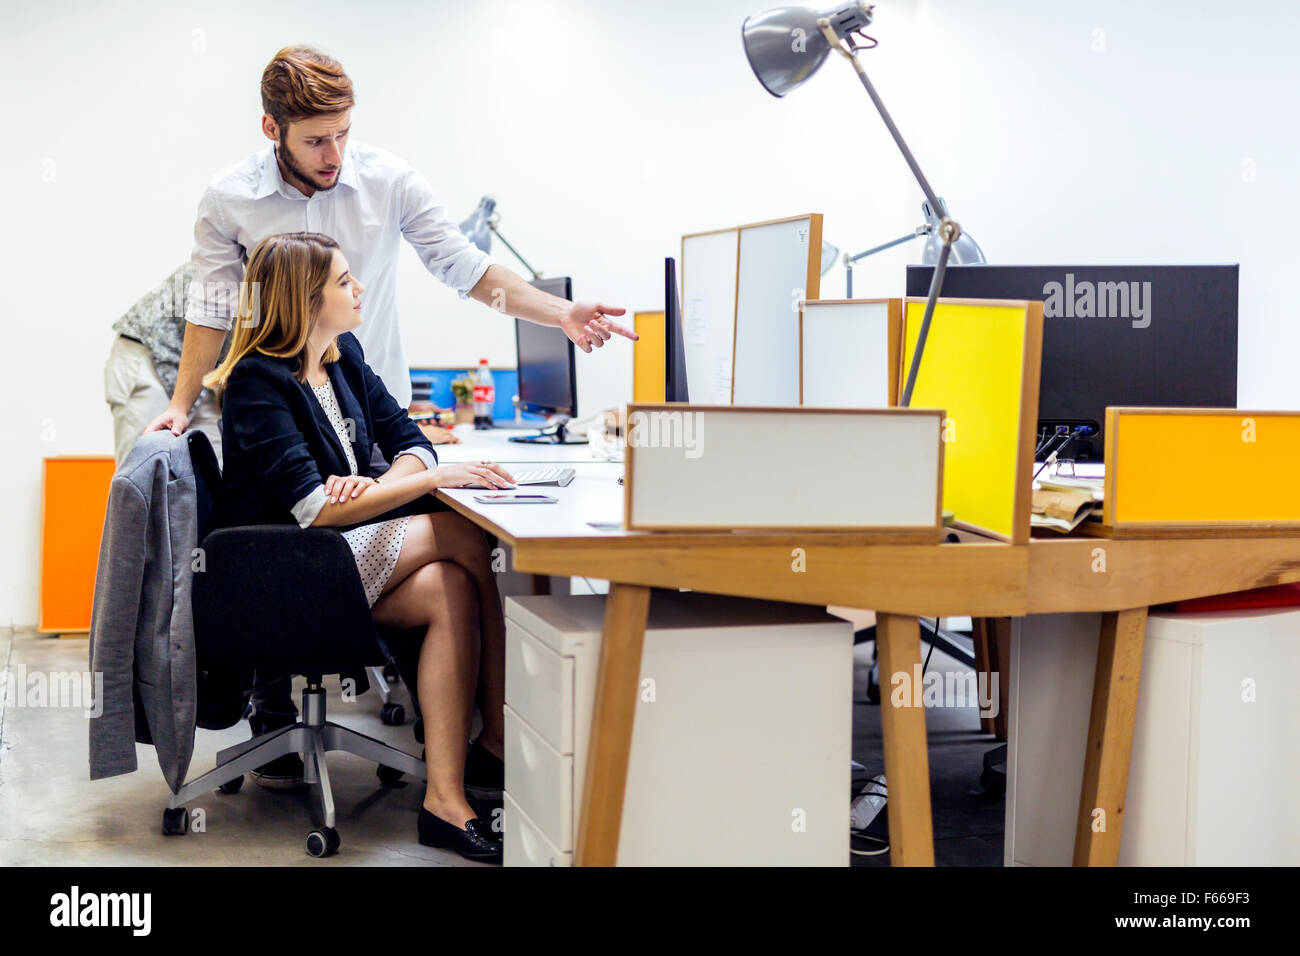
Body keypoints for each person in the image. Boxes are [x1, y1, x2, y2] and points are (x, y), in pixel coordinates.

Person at [148, 45, 635, 784]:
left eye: (343, 133)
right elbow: (213, 308)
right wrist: (181, 406)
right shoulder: (231, 205)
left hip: (359, 402)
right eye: (316, 139)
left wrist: (560, 312)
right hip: (290, 422)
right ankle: (330, 710)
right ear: (272, 129)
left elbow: (463, 267)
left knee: (451, 562)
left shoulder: (387, 184)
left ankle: (464, 751)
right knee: (449, 535)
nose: (334, 153)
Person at [207, 231, 516, 861]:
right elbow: (315, 509)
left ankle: (447, 800)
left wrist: (380, 484)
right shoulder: (256, 382)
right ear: (304, 299)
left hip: (337, 554)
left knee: (452, 585)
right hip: (284, 574)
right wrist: (418, 484)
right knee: (466, 532)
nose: (360, 288)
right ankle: (500, 742)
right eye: (344, 281)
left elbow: (412, 440)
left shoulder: (342, 356)